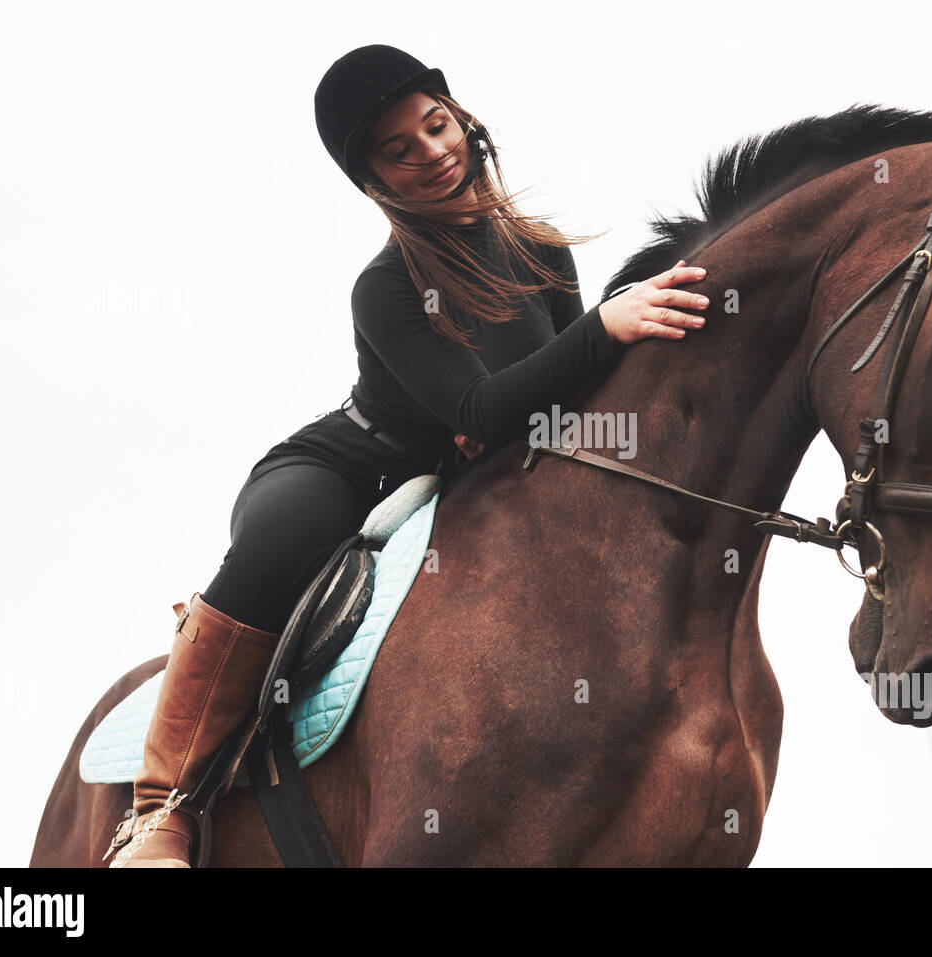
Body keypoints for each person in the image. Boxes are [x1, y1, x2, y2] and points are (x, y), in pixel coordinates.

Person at [105, 44, 711, 867]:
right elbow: (480, 406)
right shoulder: (384, 286)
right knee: (286, 536)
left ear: (461, 117)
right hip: (345, 469)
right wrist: (605, 326)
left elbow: (557, 402)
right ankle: (160, 809)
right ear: (374, 182)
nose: (432, 150)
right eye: (399, 149)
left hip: (463, 480)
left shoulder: (541, 253)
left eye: (436, 124)